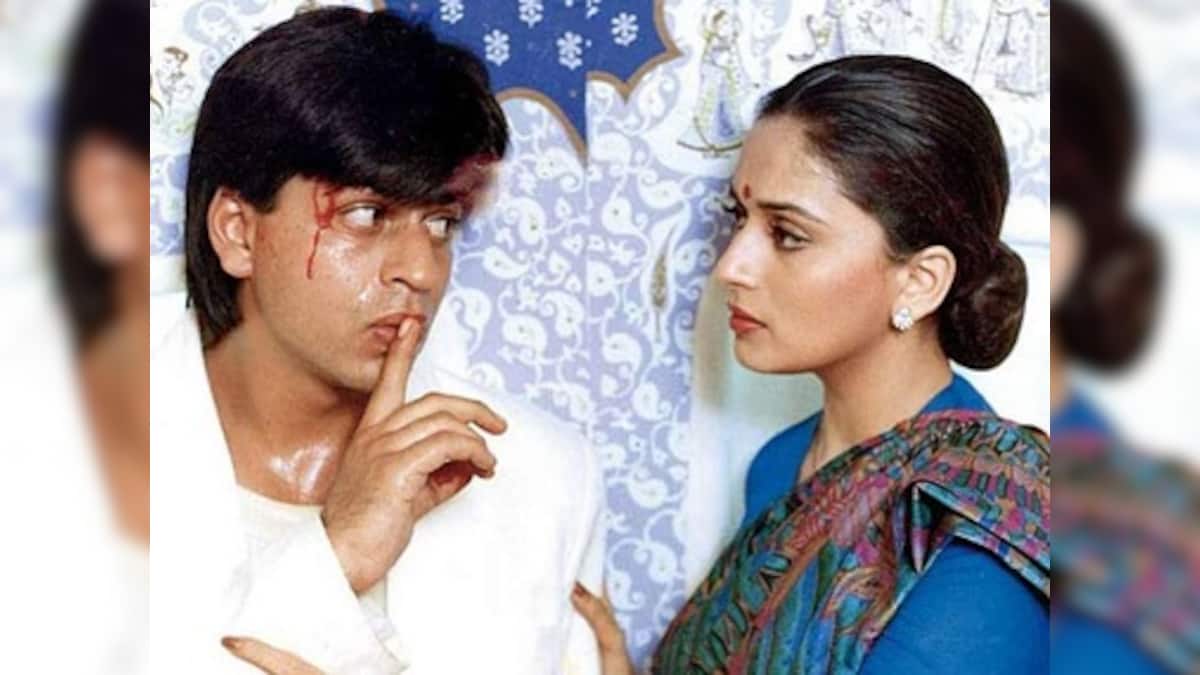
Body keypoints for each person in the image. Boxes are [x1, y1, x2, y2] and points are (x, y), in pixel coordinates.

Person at [149, 8, 604, 673]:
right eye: (367, 215)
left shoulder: (543, 474)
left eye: (442, 223)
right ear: (239, 231)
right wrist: (338, 554)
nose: (421, 270)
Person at [573, 55, 1049, 673]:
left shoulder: (981, 517)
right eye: (739, 218)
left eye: (788, 234)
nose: (730, 267)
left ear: (920, 280)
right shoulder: (780, 462)